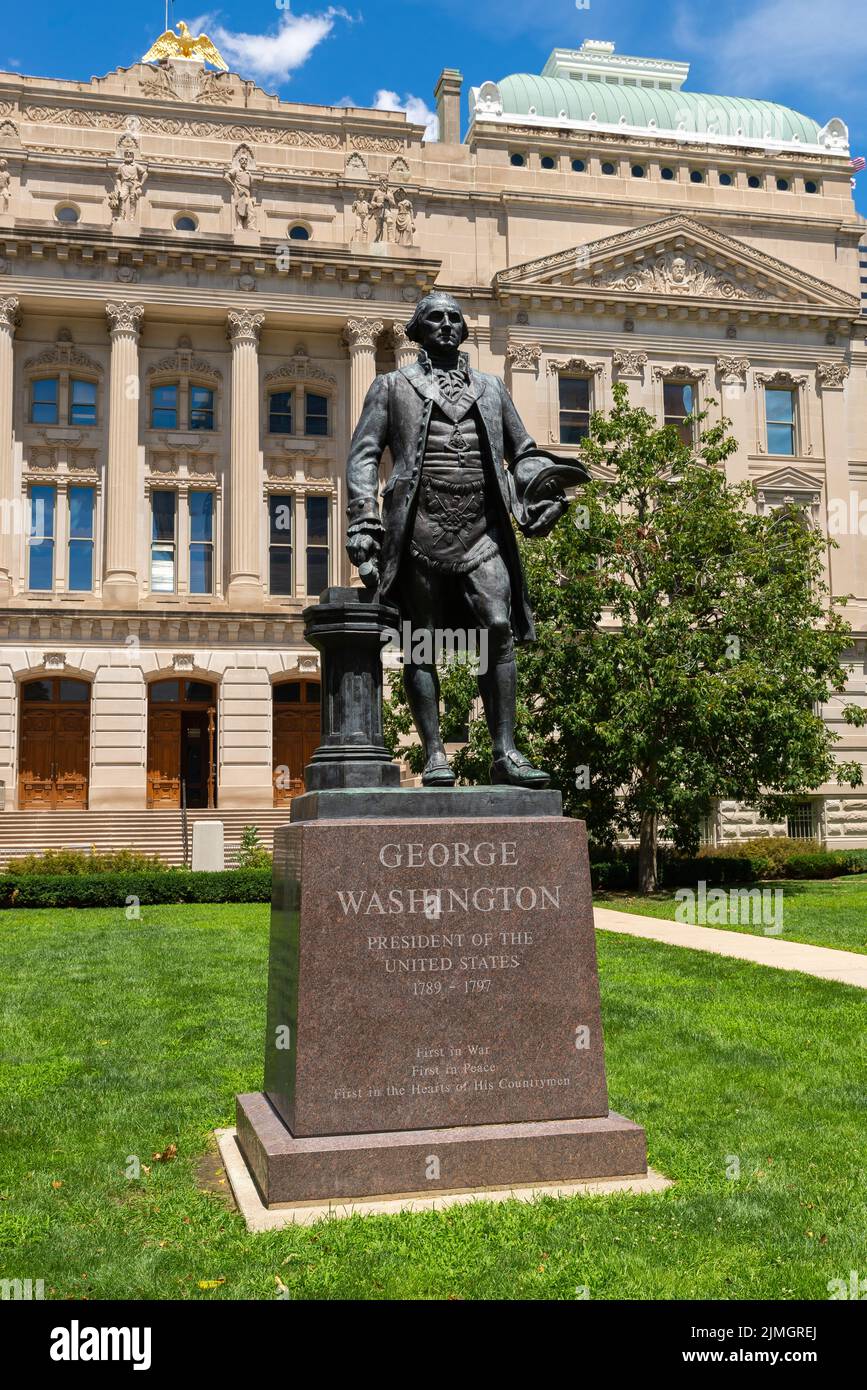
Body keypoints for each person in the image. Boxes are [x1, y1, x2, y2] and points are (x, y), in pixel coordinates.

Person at [345, 291, 582, 788]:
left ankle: (505, 751)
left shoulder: (492, 388)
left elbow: (523, 452)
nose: (448, 325)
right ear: (417, 331)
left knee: (497, 625)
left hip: (482, 529)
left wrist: (544, 489)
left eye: (455, 318)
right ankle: (433, 754)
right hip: (419, 529)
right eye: (436, 318)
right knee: (423, 643)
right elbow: (364, 457)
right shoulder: (391, 386)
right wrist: (364, 522)